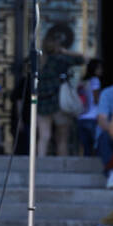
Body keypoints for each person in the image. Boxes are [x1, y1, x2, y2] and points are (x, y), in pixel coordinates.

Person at [37, 28, 84, 157]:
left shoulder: (38, 62)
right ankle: (62, 164)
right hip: (58, 102)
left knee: (44, 136)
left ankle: (39, 162)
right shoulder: (61, 59)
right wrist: (65, 51)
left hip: (42, 103)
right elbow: (83, 58)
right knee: (62, 138)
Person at [77, 58, 103, 157]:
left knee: (86, 149)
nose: (101, 70)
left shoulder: (83, 81)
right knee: (97, 146)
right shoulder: (95, 81)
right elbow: (96, 100)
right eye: (99, 68)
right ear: (94, 69)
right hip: (92, 117)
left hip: (81, 117)